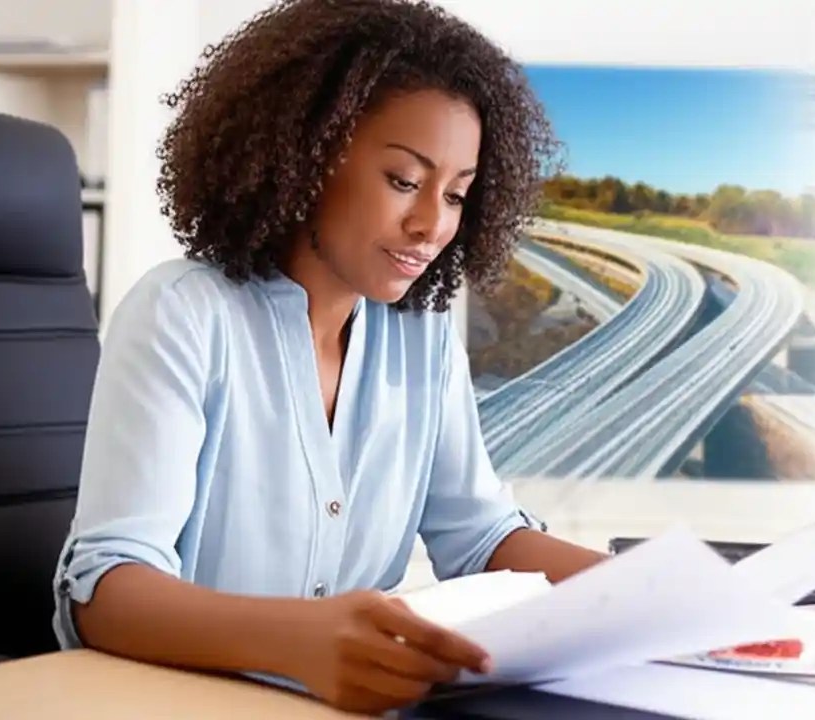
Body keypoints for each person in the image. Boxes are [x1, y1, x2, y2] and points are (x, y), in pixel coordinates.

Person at [51, 0, 607, 714]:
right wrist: (298, 640)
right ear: (305, 154)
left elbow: (482, 534)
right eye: (404, 181)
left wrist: (662, 588)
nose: (431, 223)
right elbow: (106, 589)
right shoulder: (184, 314)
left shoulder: (420, 333)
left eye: (458, 195)